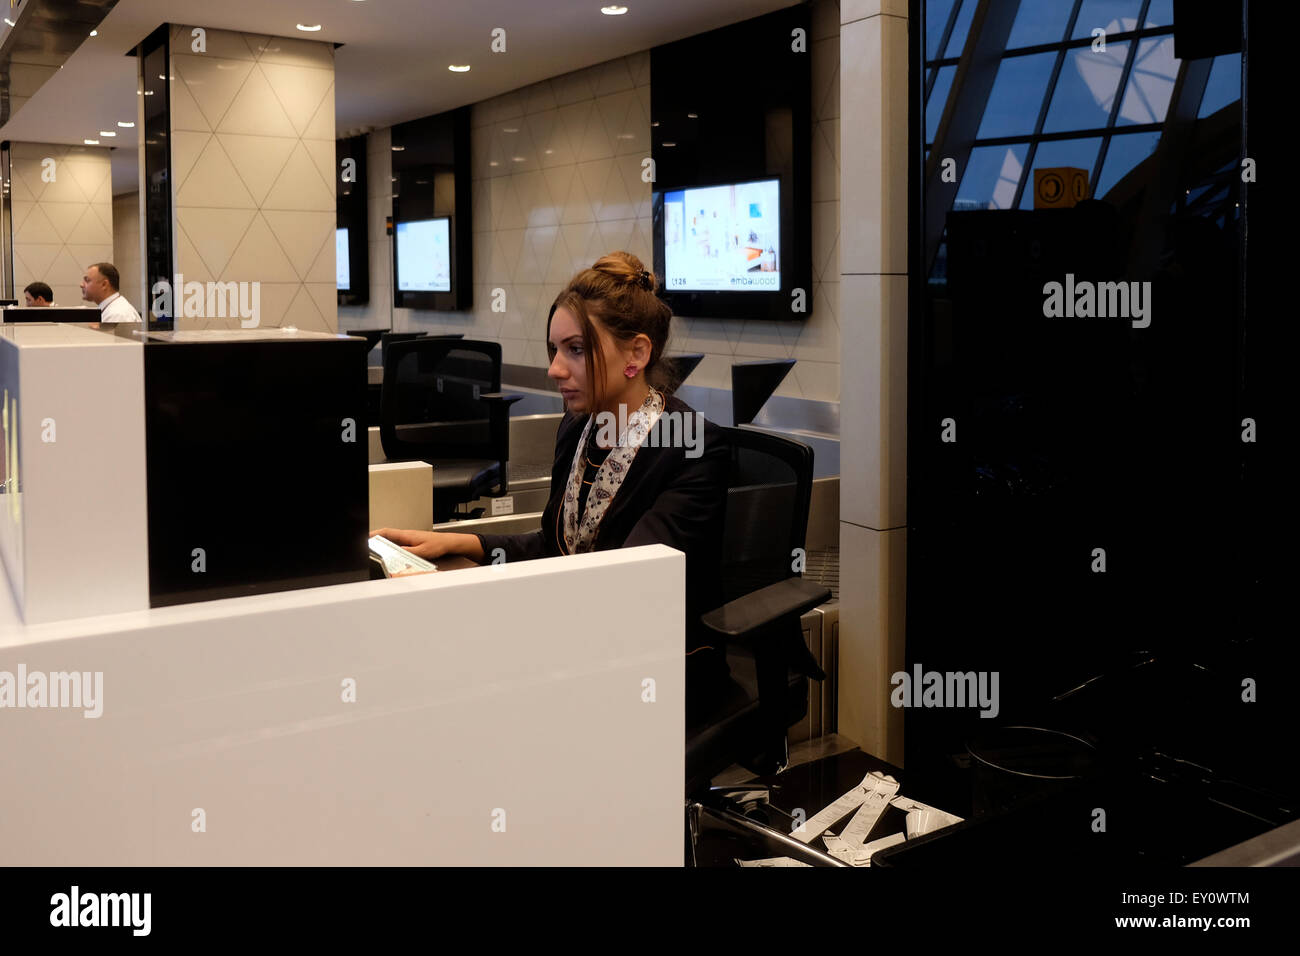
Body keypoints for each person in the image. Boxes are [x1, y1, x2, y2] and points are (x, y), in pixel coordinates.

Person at [371, 251, 734, 717]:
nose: (555, 369)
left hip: (660, 669)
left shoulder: (692, 445)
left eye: (576, 350)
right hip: (583, 649)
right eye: (555, 350)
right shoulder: (578, 427)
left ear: (637, 354)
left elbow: (632, 584)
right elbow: (555, 545)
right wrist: (456, 544)